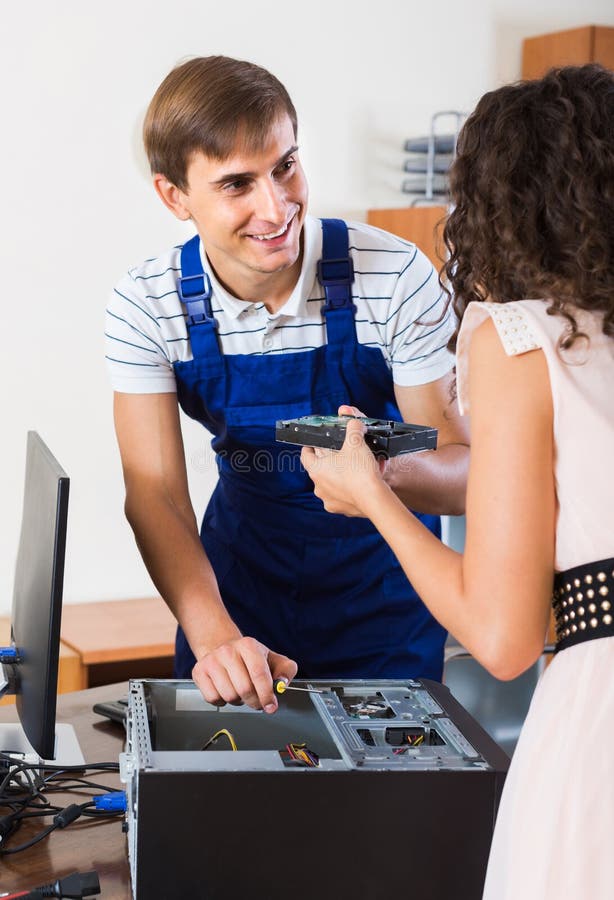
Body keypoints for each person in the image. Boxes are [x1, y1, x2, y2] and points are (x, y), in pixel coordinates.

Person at [302, 63, 614, 899]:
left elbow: (503, 638)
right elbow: (564, 483)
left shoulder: (518, 336)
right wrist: (397, 475)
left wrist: (372, 497)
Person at [105, 55, 469, 714]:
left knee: (390, 812)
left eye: (285, 167)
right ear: (174, 195)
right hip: (238, 599)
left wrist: (376, 479)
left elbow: (466, 467)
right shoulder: (147, 303)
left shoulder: (392, 274)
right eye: (237, 184)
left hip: (388, 609)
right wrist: (215, 635)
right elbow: (154, 493)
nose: (275, 207)